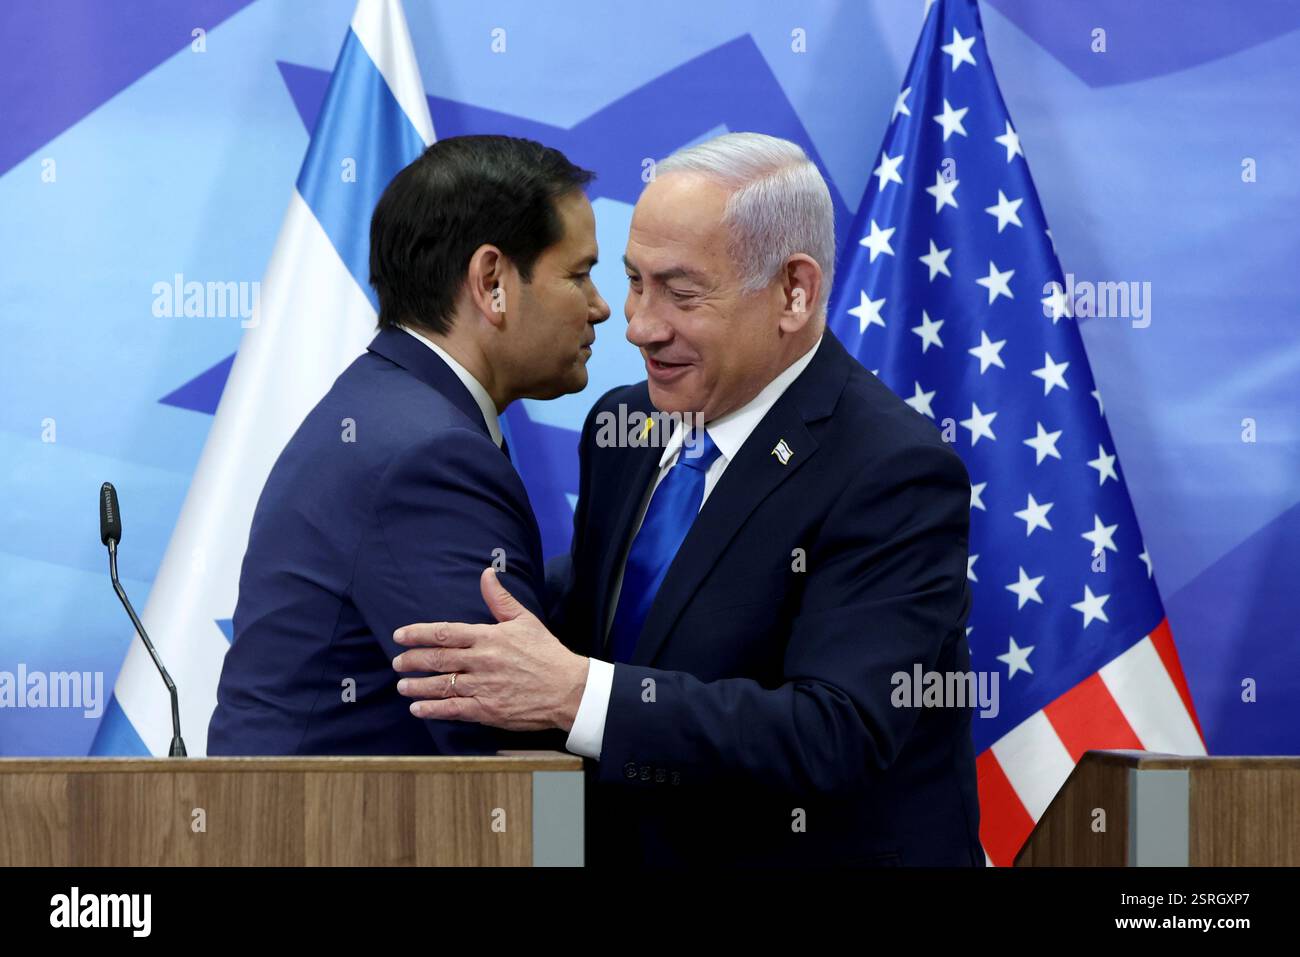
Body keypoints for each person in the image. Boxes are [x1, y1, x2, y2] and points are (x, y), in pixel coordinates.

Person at [391, 132, 984, 865]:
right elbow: (621, 619)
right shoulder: (624, 426)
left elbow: (836, 733)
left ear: (794, 292)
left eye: (681, 292)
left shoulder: (892, 471)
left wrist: (578, 693)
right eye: (635, 281)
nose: (639, 325)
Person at [208, 135, 610, 755]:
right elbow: (508, 738)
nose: (600, 307)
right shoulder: (431, 455)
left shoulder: (389, 407)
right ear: (492, 282)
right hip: (342, 817)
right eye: (579, 275)